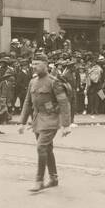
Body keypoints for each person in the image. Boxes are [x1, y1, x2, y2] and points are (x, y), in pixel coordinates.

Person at [19, 53, 72, 193]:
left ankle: (39, 181)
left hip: (51, 119)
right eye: (33, 63)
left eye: (37, 63)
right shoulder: (32, 82)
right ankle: (54, 178)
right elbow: (27, 102)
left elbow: (64, 103)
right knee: (47, 149)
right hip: (37, 120)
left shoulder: (54, 82)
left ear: (46, 64)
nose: (34, 66)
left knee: (41, 148)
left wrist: (66, 125)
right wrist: (22, 122)